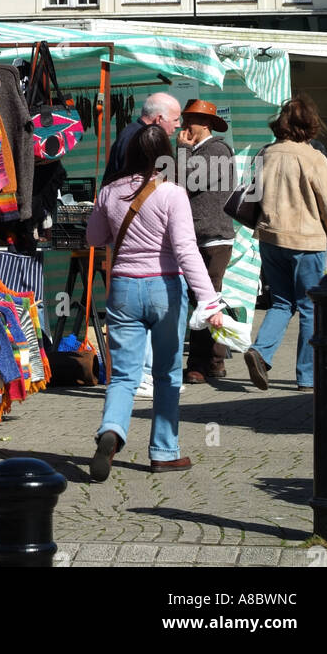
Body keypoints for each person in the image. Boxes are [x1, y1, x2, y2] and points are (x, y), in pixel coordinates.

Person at [86, 125, 223, 480]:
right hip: (165, 288)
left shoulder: (109, 192)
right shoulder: (172, 193)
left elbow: (94, 237)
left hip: (123, 289)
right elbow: (185, 251)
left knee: (124, 376)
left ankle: (112, 430)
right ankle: (164, 451)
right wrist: (209, 300)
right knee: (166, 375)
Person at [245, 94, 327, 392]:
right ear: (310, 125)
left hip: (271, 238)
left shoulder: (266, 153)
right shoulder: (313, 157)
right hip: (306, 240)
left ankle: (261, 351)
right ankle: (307, 376)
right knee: (310, 307)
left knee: (281, 302)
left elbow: (255, 194)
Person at [100, 91, 183, 397]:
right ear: (159, 119)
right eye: (174, 120)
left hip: (127, 271)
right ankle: (145, 376)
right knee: (155, 341)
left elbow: (96, 234)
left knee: (134, 339)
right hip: (152, 271)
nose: (176, 127)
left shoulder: (129, 136)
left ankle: (129, 393)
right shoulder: (136, 140)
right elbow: (185, 247)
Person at [177, 99, 236, 383]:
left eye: (193, 120)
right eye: (186, 119)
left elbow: (188, 181)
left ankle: (200, 365)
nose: (186, 125)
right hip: (197, 237)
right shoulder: (198, 150)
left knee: (205, 301)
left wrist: (183, 150)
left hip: (213, 238)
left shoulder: (218, 150)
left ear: (207, 124)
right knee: (207, 300)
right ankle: (215, 361)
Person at [100, 92, 183, 189]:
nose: (178, 125)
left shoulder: (134, 132)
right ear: (159, 119)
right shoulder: (139, 139)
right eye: (175, 120)